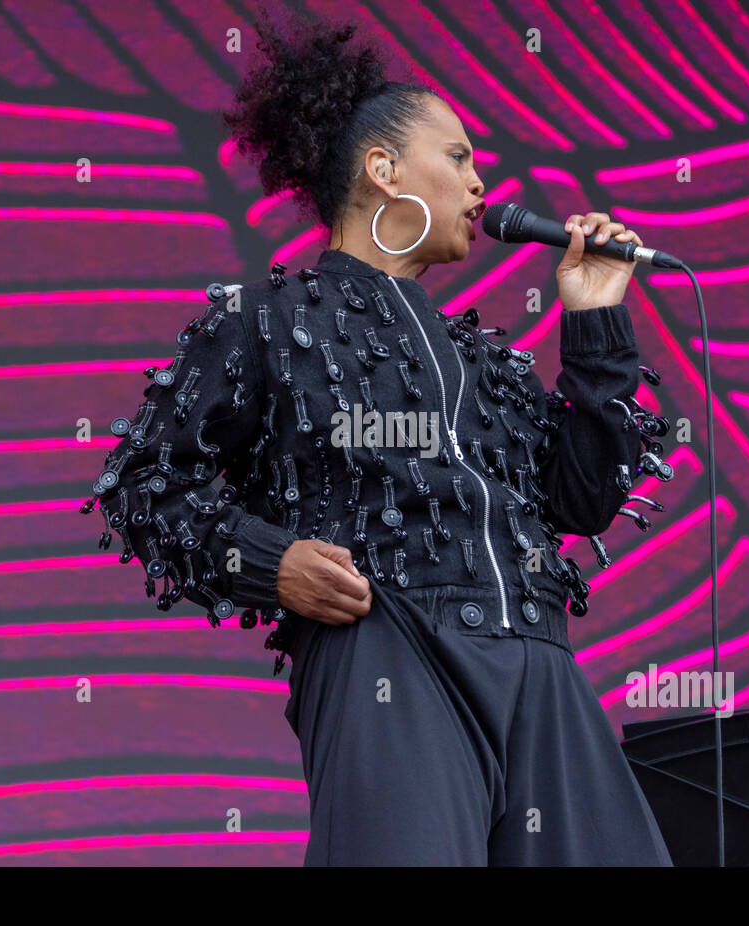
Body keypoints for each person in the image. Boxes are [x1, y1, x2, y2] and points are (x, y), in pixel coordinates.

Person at [82, 7, 675, 865]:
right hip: (392, 651)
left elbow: (583, 498)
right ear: (383, 168)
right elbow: (144, 484)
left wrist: (594, 320)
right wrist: (269, 561)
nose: (480, 186)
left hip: (542, 669)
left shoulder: (488, 360)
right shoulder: (269, 320)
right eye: (460, 158)